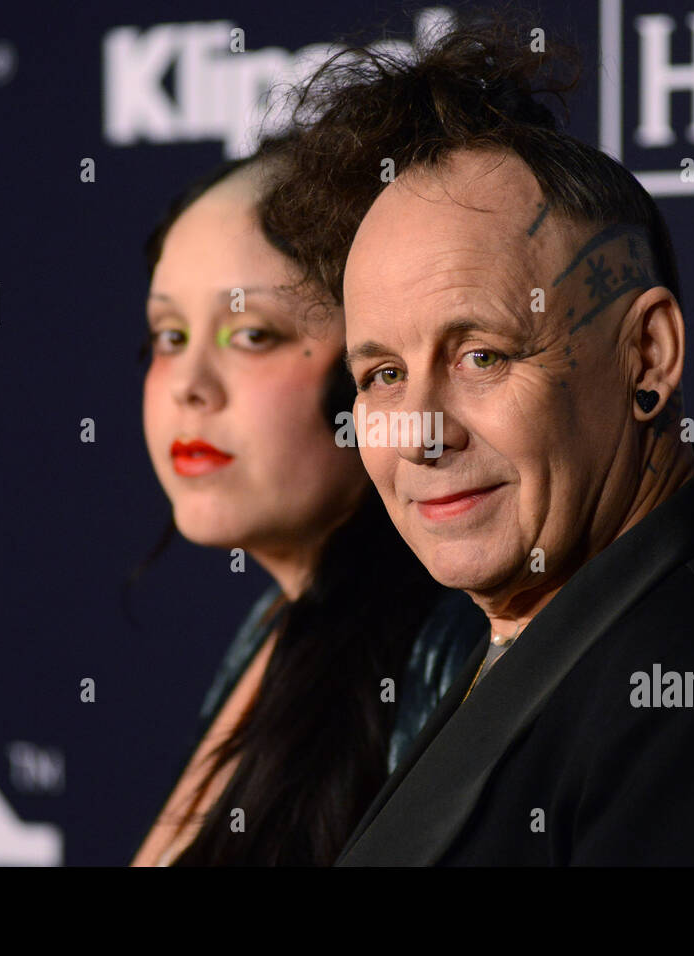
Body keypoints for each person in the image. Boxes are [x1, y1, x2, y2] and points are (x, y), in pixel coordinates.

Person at [258, 16, 694, 864]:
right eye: (382, 374)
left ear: (646, 355)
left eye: (481, 356)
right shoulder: (551, 625)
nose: (420, 432)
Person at [127, 139, 486, 866]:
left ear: (379, 370)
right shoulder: (275, 625)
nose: (189, 384)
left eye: (253, 334)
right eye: (170, 335)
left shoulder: (456, 652)